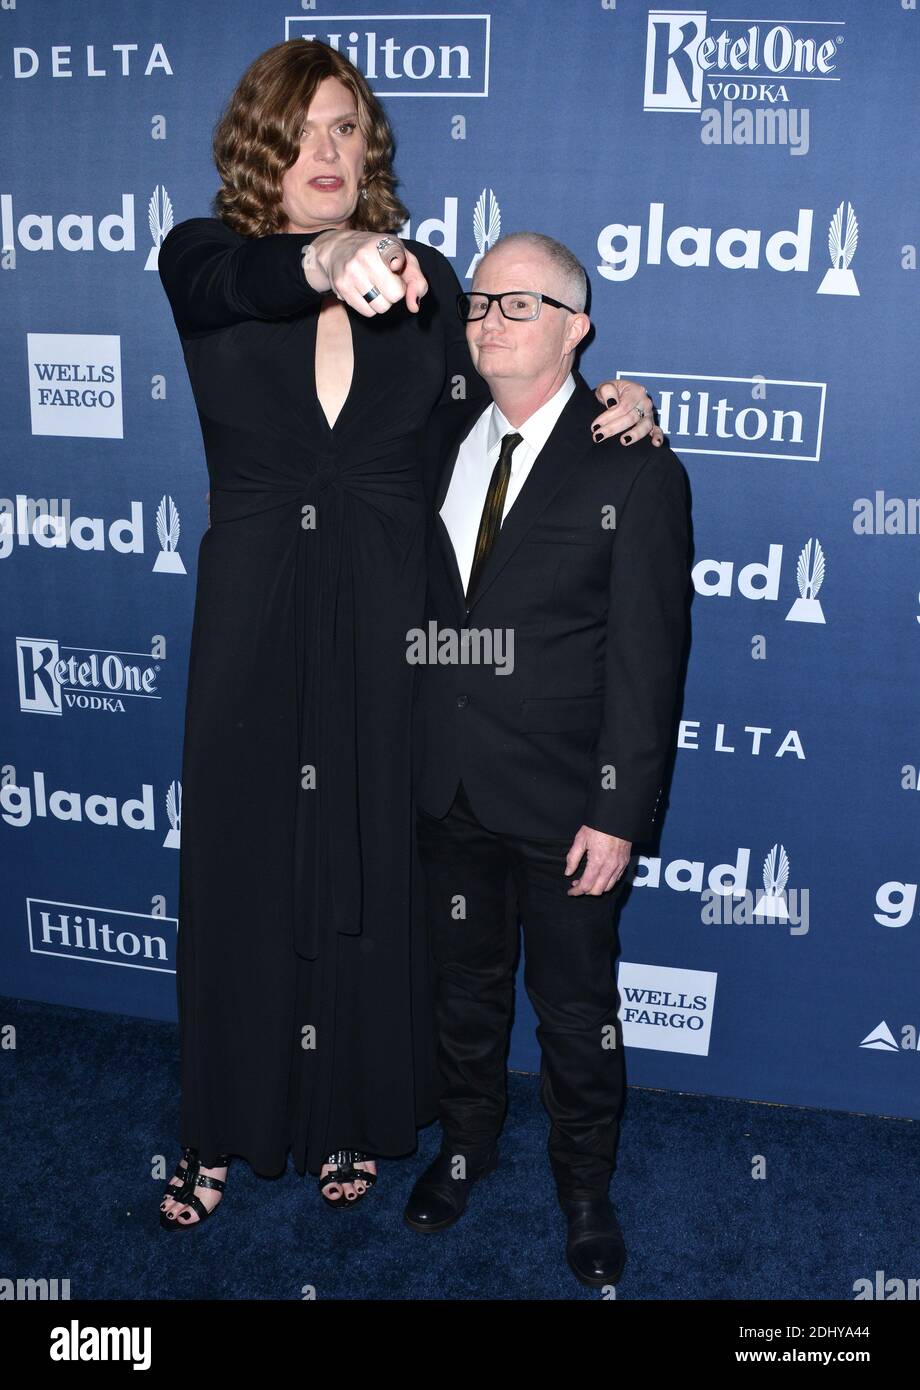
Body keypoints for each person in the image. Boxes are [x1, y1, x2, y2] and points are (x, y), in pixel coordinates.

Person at [155, 38, 661, 1228]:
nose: (325, 150)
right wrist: (330, 258)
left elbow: (512, 391)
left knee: (372, 867)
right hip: (255, 618)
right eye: (300, 130)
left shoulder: (426, 281)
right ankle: (217, 1122)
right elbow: (249, 284)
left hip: (392, 623)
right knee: (242, 870)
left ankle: (350, 1112)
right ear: (258, 150)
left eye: (344, 129)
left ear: (368, 148)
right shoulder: (202, 257)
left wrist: (610, 404)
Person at [406, 232, 691, 1287]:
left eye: (518, 306)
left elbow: (645, 661)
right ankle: (463, 1146)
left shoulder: (634, 464)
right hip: (446, 785)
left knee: (576, 1012)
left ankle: (583, 1187)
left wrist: (616, 813)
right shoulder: (438, 436)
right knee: (465, 991)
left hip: (568, 801)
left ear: (576, 329)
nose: (487, 321)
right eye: (478, 303)